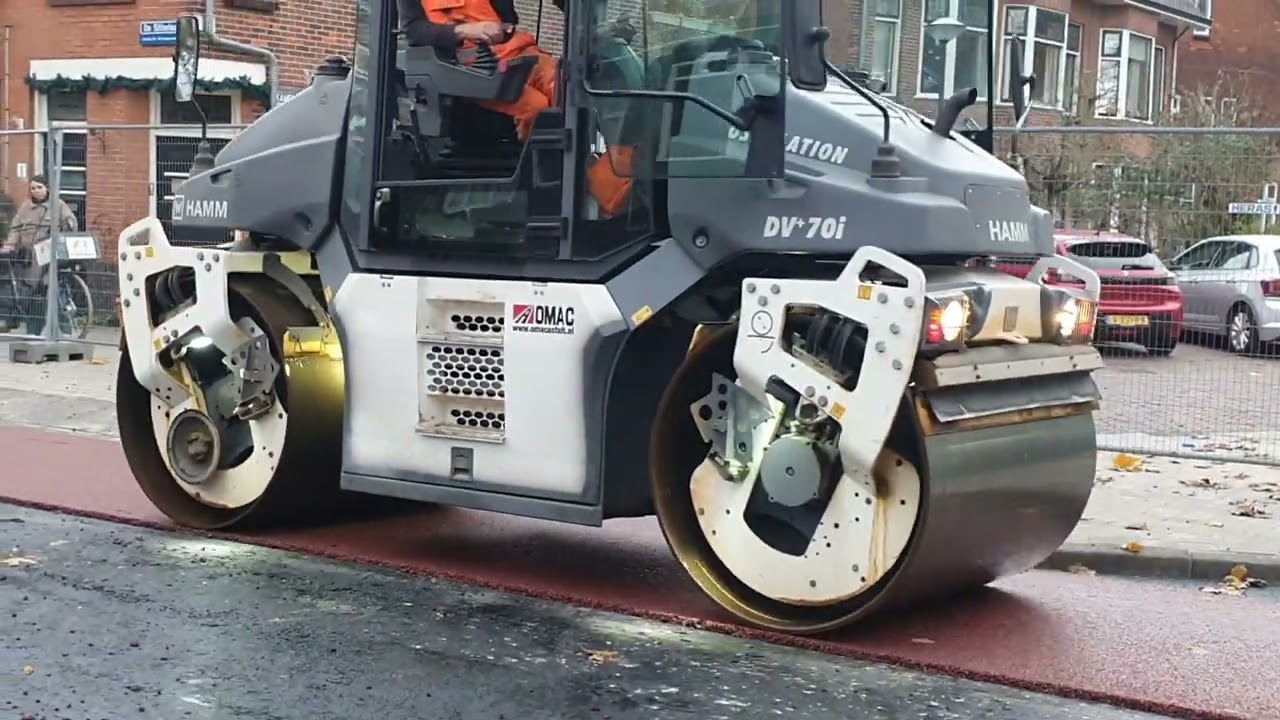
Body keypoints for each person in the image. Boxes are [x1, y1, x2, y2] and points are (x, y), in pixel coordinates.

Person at [397, 0, 634, 217]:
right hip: (472, 68)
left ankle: (621, 171)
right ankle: (570, 188)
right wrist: (467, 30)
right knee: (537, 108)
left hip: (516, 51)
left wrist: (592, 25)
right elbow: (414, 32)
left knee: (567, 86)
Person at [1, 175, 77, 336]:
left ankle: (65, 330)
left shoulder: (58, 205)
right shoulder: (25, 208)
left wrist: (68, 225)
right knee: (31, 295)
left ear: (47, 188)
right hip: (29, 259)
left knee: (52, 293)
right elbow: (15, 228)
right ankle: (32, 331)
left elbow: (70, 221)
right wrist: (10, 244)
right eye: (33, 188)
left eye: (39, 187)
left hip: (49, 258)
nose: (36, 191)